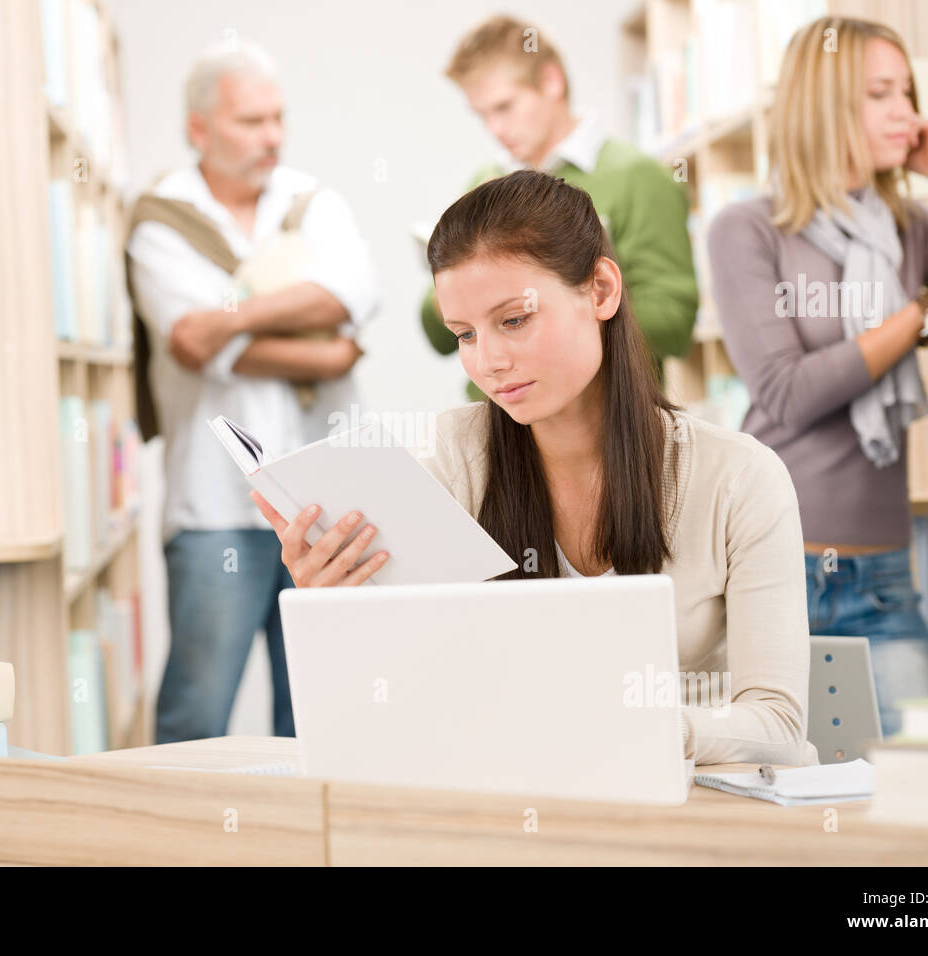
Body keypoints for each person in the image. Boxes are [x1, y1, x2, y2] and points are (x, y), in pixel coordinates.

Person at [255, 170, 820, 767]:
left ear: (601, 290)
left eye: (514, 320)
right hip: (514, 803)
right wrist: (335, 612)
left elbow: (779, 723)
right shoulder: (451, 459)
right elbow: (401, 698)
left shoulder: (739, 478)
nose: (489, 361)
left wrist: (630, 729)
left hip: (687, 815)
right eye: (464, 334)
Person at [706, 17, 928, 737]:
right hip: (775, 569)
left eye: (907, 90)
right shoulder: (748, 228)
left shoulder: (909, 228)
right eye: (880, 92)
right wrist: (916, 316)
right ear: (824, 105)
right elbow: (787, 393)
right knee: (787, 801)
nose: (905, 110)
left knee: (920, 789)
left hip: (883, 573)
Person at [126, 40, 380, 743]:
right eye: (249, 121)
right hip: (215, 508)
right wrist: (316, 335)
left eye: (277, 118)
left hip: (326, 504)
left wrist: (231, 317)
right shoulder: (159, 219)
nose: (271, 136)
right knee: (196, 713)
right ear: (198, 129)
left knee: (322, 713)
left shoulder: (312, 201)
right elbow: (192, 344)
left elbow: (355, 295)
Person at [419, 15, 698, 400]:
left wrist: (553, 324)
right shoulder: (486, 182)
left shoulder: (636, 177)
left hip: (604, 420)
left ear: (551, 81)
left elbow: (673, 320)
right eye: (482, 115)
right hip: (498, 422)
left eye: (504, 107)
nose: (495, 130)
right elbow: (438, 337)